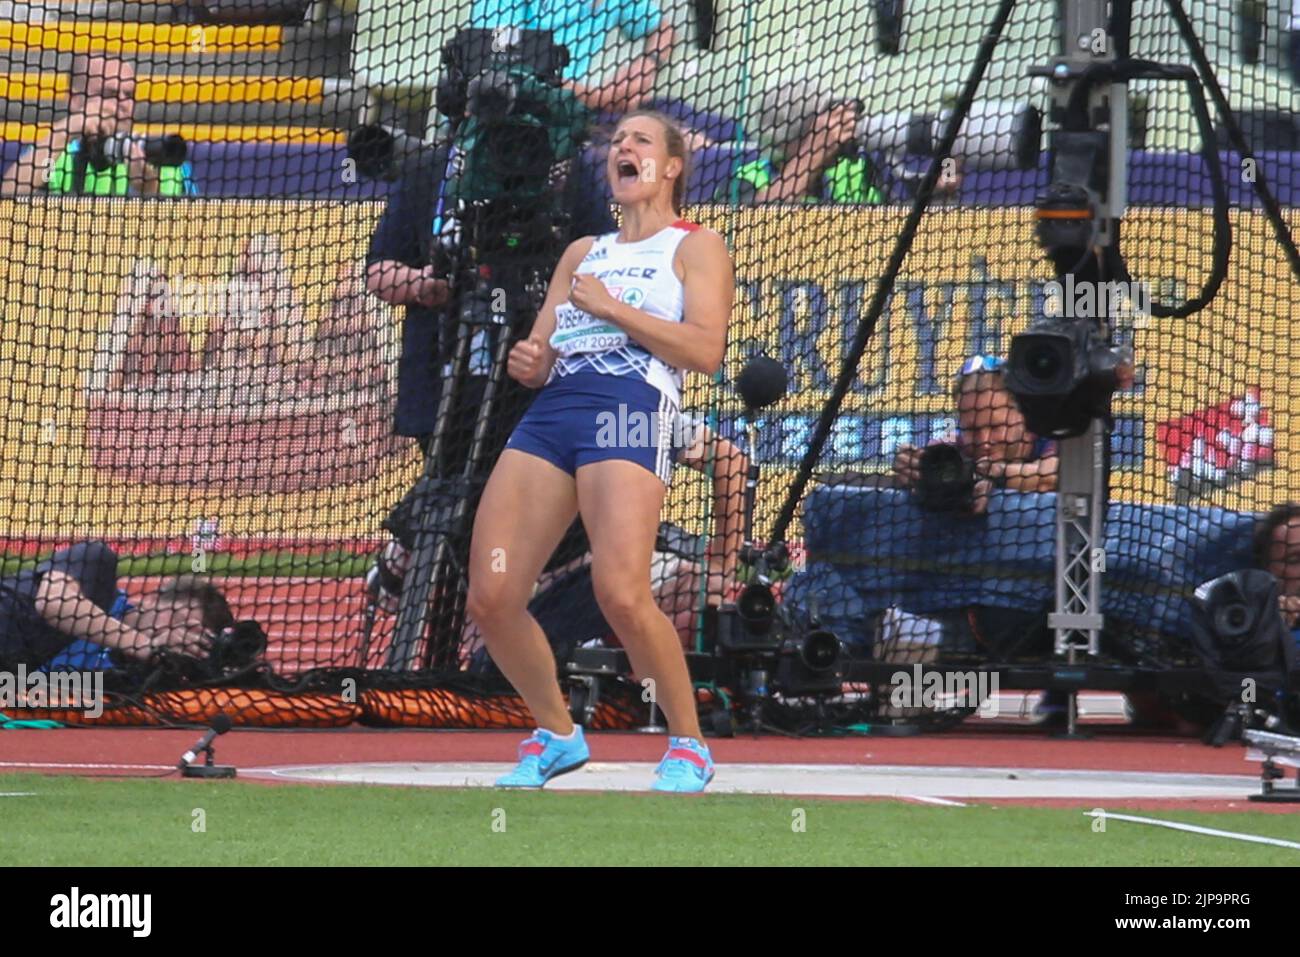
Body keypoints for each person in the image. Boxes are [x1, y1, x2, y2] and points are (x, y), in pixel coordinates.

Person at [464, 109, 734, 792]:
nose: (623, 148)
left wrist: (616, 309)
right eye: (617, 142)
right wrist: (529, 358)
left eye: (640, 140)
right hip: (556, 412)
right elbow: (541, 354)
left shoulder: (694, 245)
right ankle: (556, 733)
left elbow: (703, 350)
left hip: (632, 410)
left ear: (670, 166)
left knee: (620, 590)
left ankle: (689, 743)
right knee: (492, 593)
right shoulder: (583, 254)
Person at [457, 418, 747, 668]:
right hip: (528, 588)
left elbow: (729, 460)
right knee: (488, 662)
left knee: (715, 604)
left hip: (608, 576)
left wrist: (722, 566)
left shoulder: (623, 417)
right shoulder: (506, 417)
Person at [0, 541, 230, 672]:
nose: (173, 636)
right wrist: (149, 647)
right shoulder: (97, 565)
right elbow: (53, 604)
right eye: (177, 621)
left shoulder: (127, 676)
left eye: (187, 637)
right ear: (152, 599)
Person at [0, 54, 197, 197]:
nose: (123, 103)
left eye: (129, 95)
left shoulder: (165, 156)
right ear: (75, 100)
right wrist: (65, 130)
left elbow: (189, 238)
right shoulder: (55, 158)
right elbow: (10, 201)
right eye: (109, 94)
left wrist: (150, 191)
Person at [468, 0, 676, 113]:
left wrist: (647, 65)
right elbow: (501, 64)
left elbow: (663, 29)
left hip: (573, 114)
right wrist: (599, 99)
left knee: (689, 130)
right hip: (510, 117)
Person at [721, 80, 883, 205]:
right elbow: (746, 230)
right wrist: (812, 155)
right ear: (786, 142)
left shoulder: (854, 172)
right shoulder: (743, 182)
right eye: (823, 125)